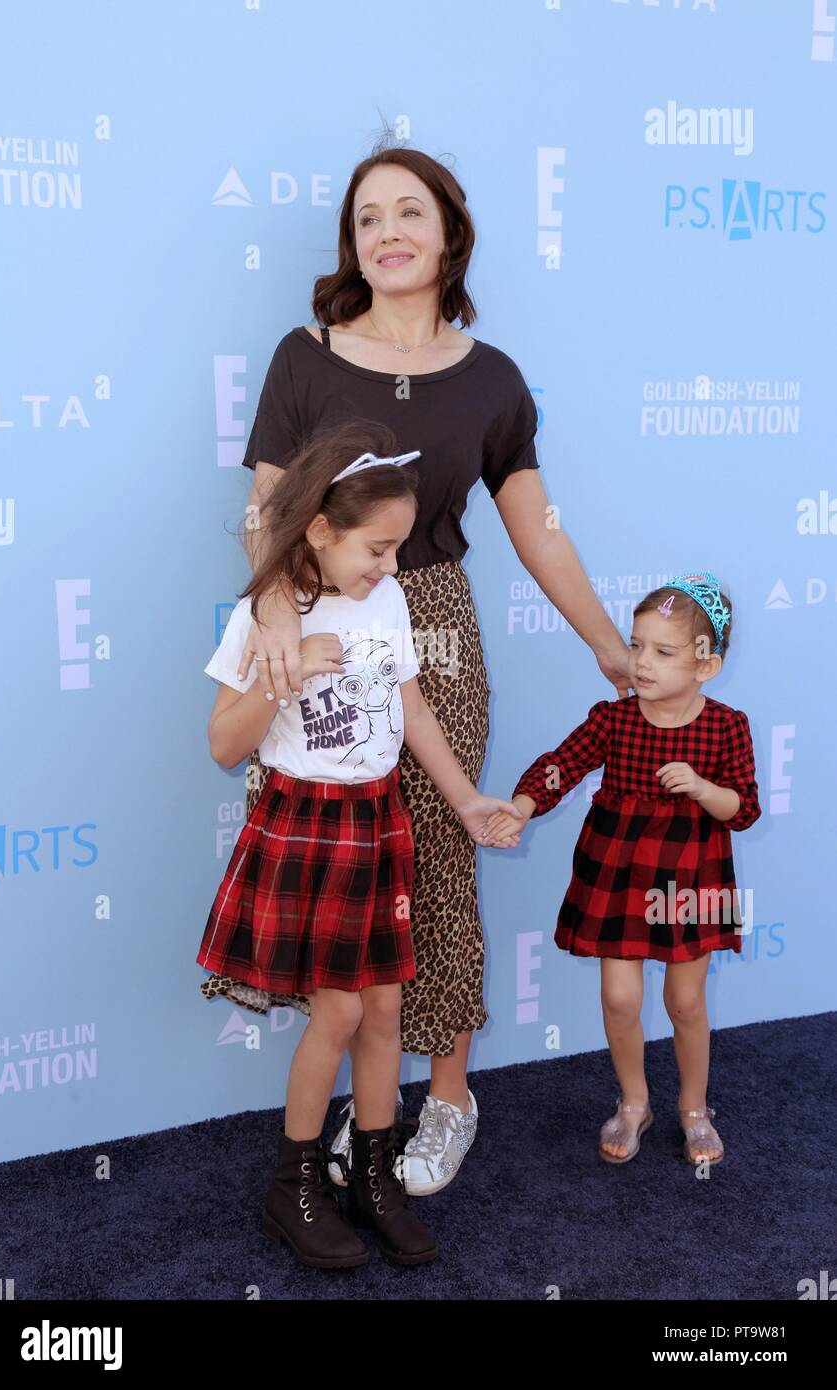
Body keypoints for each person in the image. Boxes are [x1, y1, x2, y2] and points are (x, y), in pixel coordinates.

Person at [217, 142, 632, 1197]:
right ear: (351, 243)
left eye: (409, 213)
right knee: (324, 855)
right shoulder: (303, 355)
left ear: (449, 234)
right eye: (367, 219)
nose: (387, 233)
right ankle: (346, 1129)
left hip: (430, 620)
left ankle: (446, 1096)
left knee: (438, 856)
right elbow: (266, 511)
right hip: (302, 612)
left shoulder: (491, 379)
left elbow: (537, 531)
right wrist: (272, 616)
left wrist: (603, 642)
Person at [197, 420, 522, 1269]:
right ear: (318, 530)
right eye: (376, 548)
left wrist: (466, 801)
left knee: (383, 1009)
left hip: (380, 818)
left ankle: (373, 1176)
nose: (388, 565)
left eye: (398, 549)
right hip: (305, 822)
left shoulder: (387, 598)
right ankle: (294, 1185)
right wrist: (290, 666)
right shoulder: (266, 614)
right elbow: (225, 744)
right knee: (338, 1011)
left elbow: (411, 709)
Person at [484, 573, 761, 1167]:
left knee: (686, 1003)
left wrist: (703, 787)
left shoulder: (727, 726)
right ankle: (634, 1100)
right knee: (617, 996)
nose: (642, 662)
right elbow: (562, 763)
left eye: (662, 652)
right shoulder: (614, 719)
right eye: (637, 645)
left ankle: (694, 1107)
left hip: (694, 874)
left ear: (705, 666)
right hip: (618, 870)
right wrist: (525, 806)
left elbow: (744, 808)